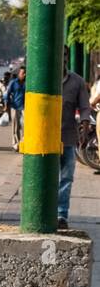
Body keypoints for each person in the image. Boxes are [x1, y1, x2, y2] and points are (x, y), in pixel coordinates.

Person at [59, 57, 90, 229]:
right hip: (46, 140)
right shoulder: (44, 79)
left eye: (64, 55)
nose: (61, 59)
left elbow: (85, 107)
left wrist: (85, 130)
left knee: (66, 178)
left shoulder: (77, 81)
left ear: (67, 58)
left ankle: (61, 214)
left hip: (68, 138)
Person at [6, 65, 26, 151]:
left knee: (25, 127)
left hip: (25, 108)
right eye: (23, 73)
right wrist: (6, 105)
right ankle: (16, 144)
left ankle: (23, 143)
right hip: (15, 107)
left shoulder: (28, 83)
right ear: (19, 74)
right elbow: (7, 94)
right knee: (15, 127)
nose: (24, 75)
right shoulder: (13, 83)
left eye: (25, 73)